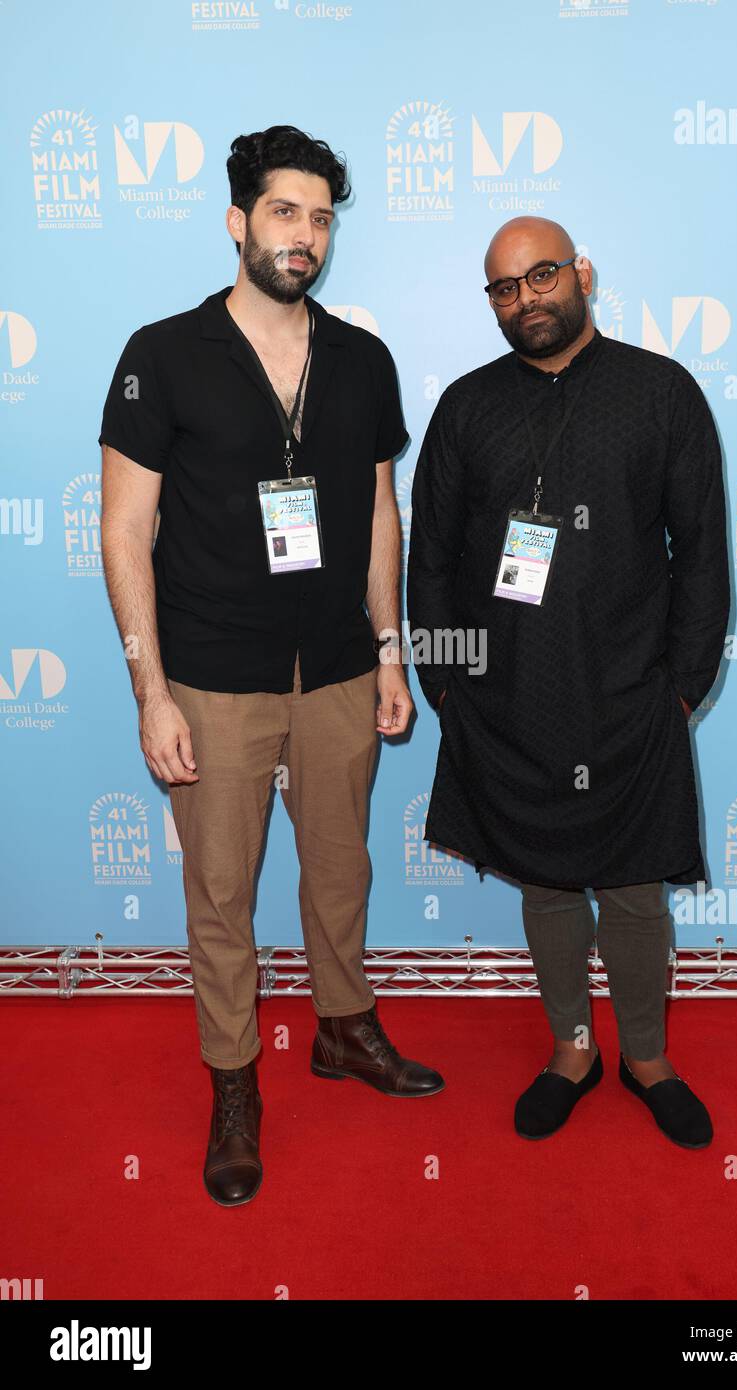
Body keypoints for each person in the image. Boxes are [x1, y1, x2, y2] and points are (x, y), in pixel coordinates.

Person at [99, 125, 444, 1210]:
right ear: (239, 220)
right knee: (221, 892)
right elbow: (122, 532)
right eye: (286, 212)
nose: (306, 236)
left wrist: (391, 650)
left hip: (341, 667)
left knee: (342, 871)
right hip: (210, 675)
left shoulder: (362, 357)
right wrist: (151, 691)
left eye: (323, 217)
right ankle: (235, 1082)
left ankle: (343, 1029)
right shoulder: (164, 351)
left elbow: (384, 513)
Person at [407, 216, 730, 1148]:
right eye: (504, 288)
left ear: (580, 273)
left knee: (633, 888)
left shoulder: (661, 393)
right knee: (546, 888)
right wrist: (449, 685)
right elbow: (431, 563)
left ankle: (647, 1056)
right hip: (505, 701)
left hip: (633, 694)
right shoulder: (466, 408)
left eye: (541, 276)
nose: (526, 300)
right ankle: (572, 1049)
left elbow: (701, 555)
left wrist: (681, 687)